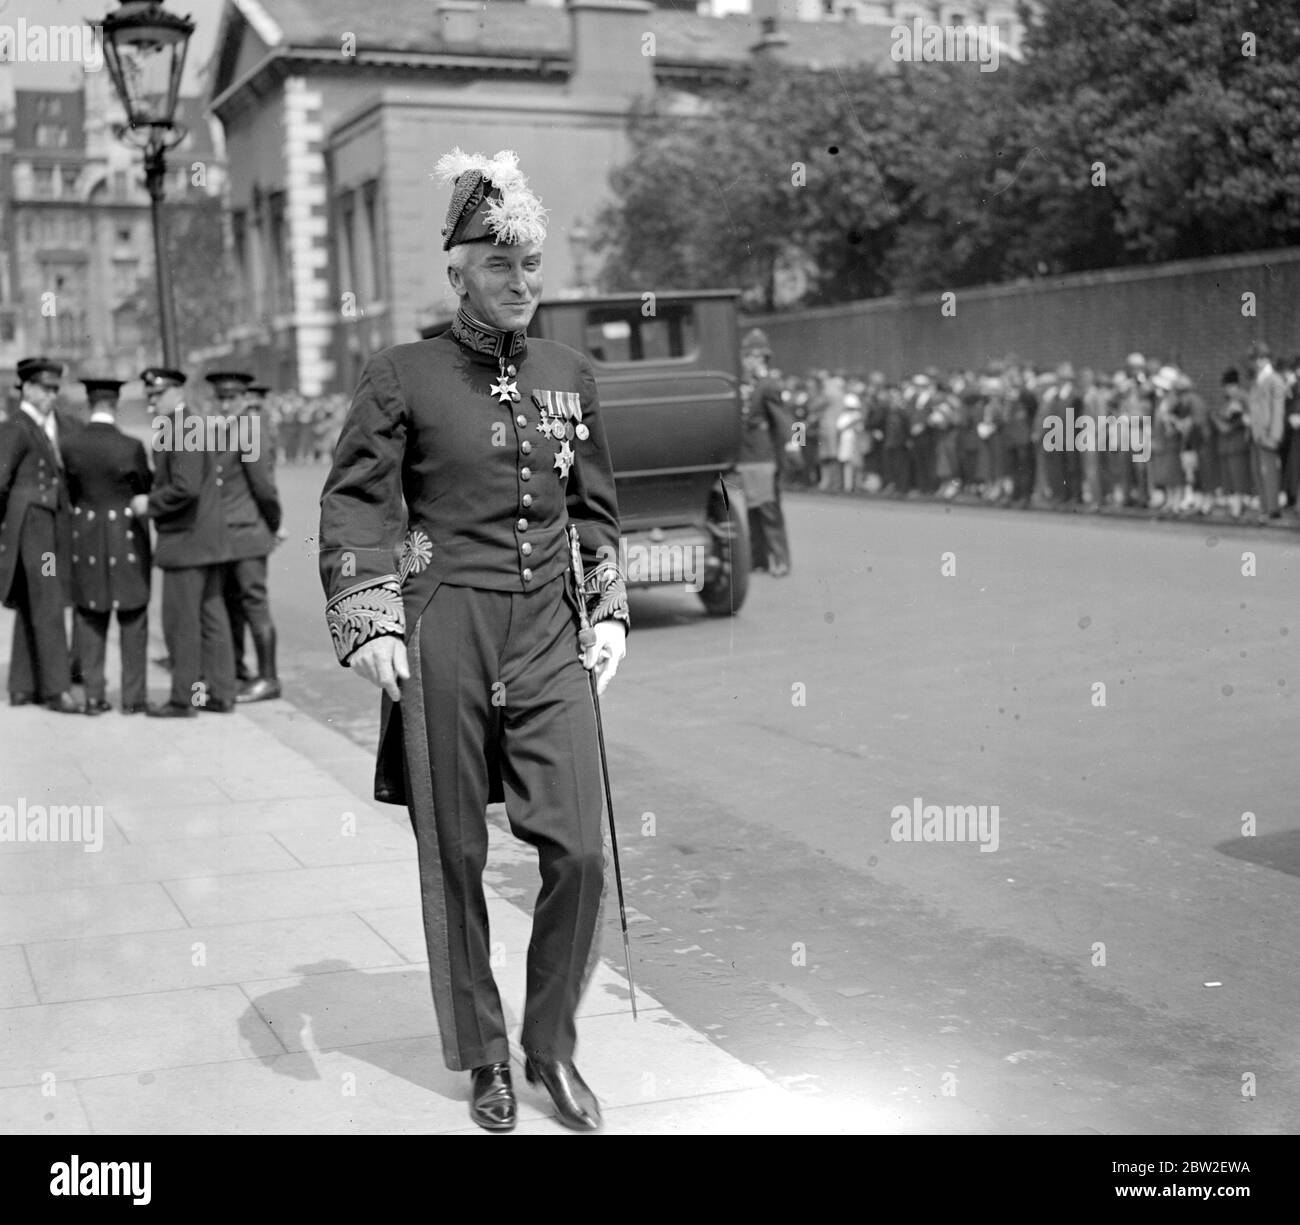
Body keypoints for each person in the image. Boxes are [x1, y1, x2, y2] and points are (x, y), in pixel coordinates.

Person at [319, 148, 628, 1134]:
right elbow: (353, 505)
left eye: (531, 265)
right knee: (452, 853)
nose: (521, 282)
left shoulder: (574, 374)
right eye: (500, 265)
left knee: (577, 849)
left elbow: (594, 514)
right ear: (456, 270)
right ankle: (486, 1055)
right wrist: (369, 615)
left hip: (548, 636)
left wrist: (611, 608)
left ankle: (549, 1042)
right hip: (445, 623)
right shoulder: (400, 374)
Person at [138, 367, 237, 717]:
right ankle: (221, 693)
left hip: (186, 541)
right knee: (212, 618)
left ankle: (185, 698)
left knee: (182, 623)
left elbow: (186, 487)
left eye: (157, 395)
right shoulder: (186, 424)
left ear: (177, 392)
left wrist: (147, 504)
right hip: (205, 539)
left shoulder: (182, 427)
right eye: (149, 396)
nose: (151, 403)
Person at [60, 377, 153, 714]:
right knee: (132, 616)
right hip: (125, 535)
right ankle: (133, 699)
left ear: (89, 404)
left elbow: (68, 491)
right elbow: (144, 486)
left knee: (89, 616)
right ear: (115, 405)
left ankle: (94, 695)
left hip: (85, 537)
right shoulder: (130, 446)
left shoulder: (69, 445)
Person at [0, 356, 81, 711]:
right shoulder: (18, 427)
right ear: (27, 388)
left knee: (33, 601)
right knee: (48, 602)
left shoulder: (37, 425)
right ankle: (56, 689)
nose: (51, 395)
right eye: (45, 389)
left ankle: (21, 686)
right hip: (36, 528)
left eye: (54, 389)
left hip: (37, 526)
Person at [207, 371, 286, 703]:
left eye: (231, 398)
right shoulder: (222, 431)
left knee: (253, 604)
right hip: (228, 534)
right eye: (220, 398)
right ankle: (238, 670)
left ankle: (268, 677)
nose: (225, 404)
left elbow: (264, 489)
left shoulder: (249, 430)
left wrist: (273, 522)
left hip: (249, 531)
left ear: (243, 399)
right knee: (232, 603)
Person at [736, 328, 793, 573]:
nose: (748, 361)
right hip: (746, 455)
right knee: (752, 510)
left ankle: (780, 560)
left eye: (754, 357)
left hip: (763, 454)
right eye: (747, 356)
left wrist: (793, 447)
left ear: (763, 359)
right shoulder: (744, 385)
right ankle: (759, 559)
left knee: (769, 509)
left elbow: (784, 421)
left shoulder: (768, 385)